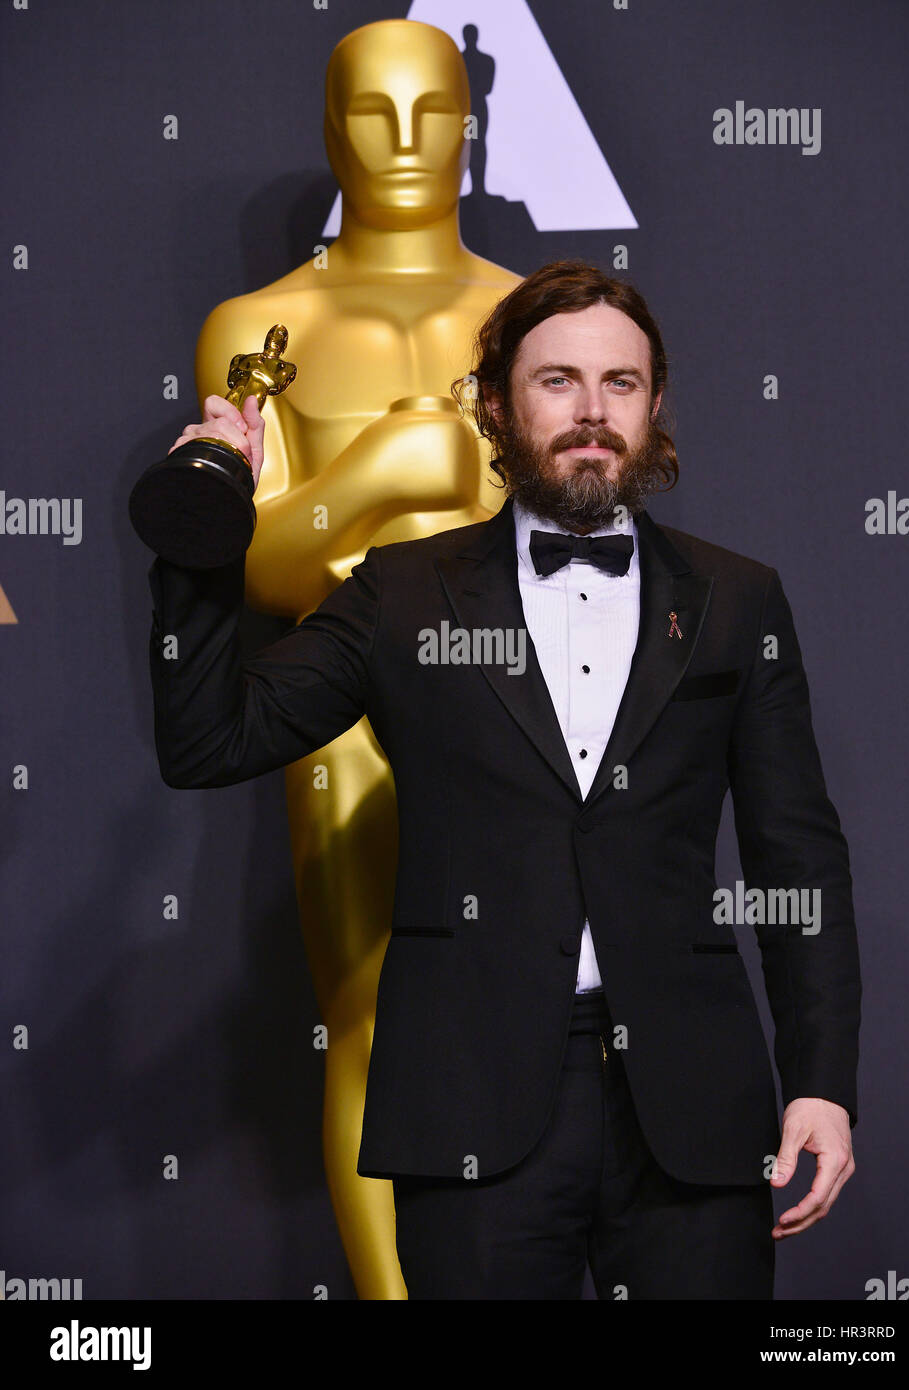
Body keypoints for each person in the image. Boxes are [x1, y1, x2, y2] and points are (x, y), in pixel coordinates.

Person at [147, 259, 860, 1299]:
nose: (592, 413)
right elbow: (208, 741)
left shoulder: (738, 600)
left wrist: (824, 1084)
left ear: (655, 404)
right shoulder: (399, 593)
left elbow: (800, 855)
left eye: (620, 383)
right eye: (557, 380)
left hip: (695, 1108)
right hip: (469, 1101)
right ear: (494, 403)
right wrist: (204, 534)